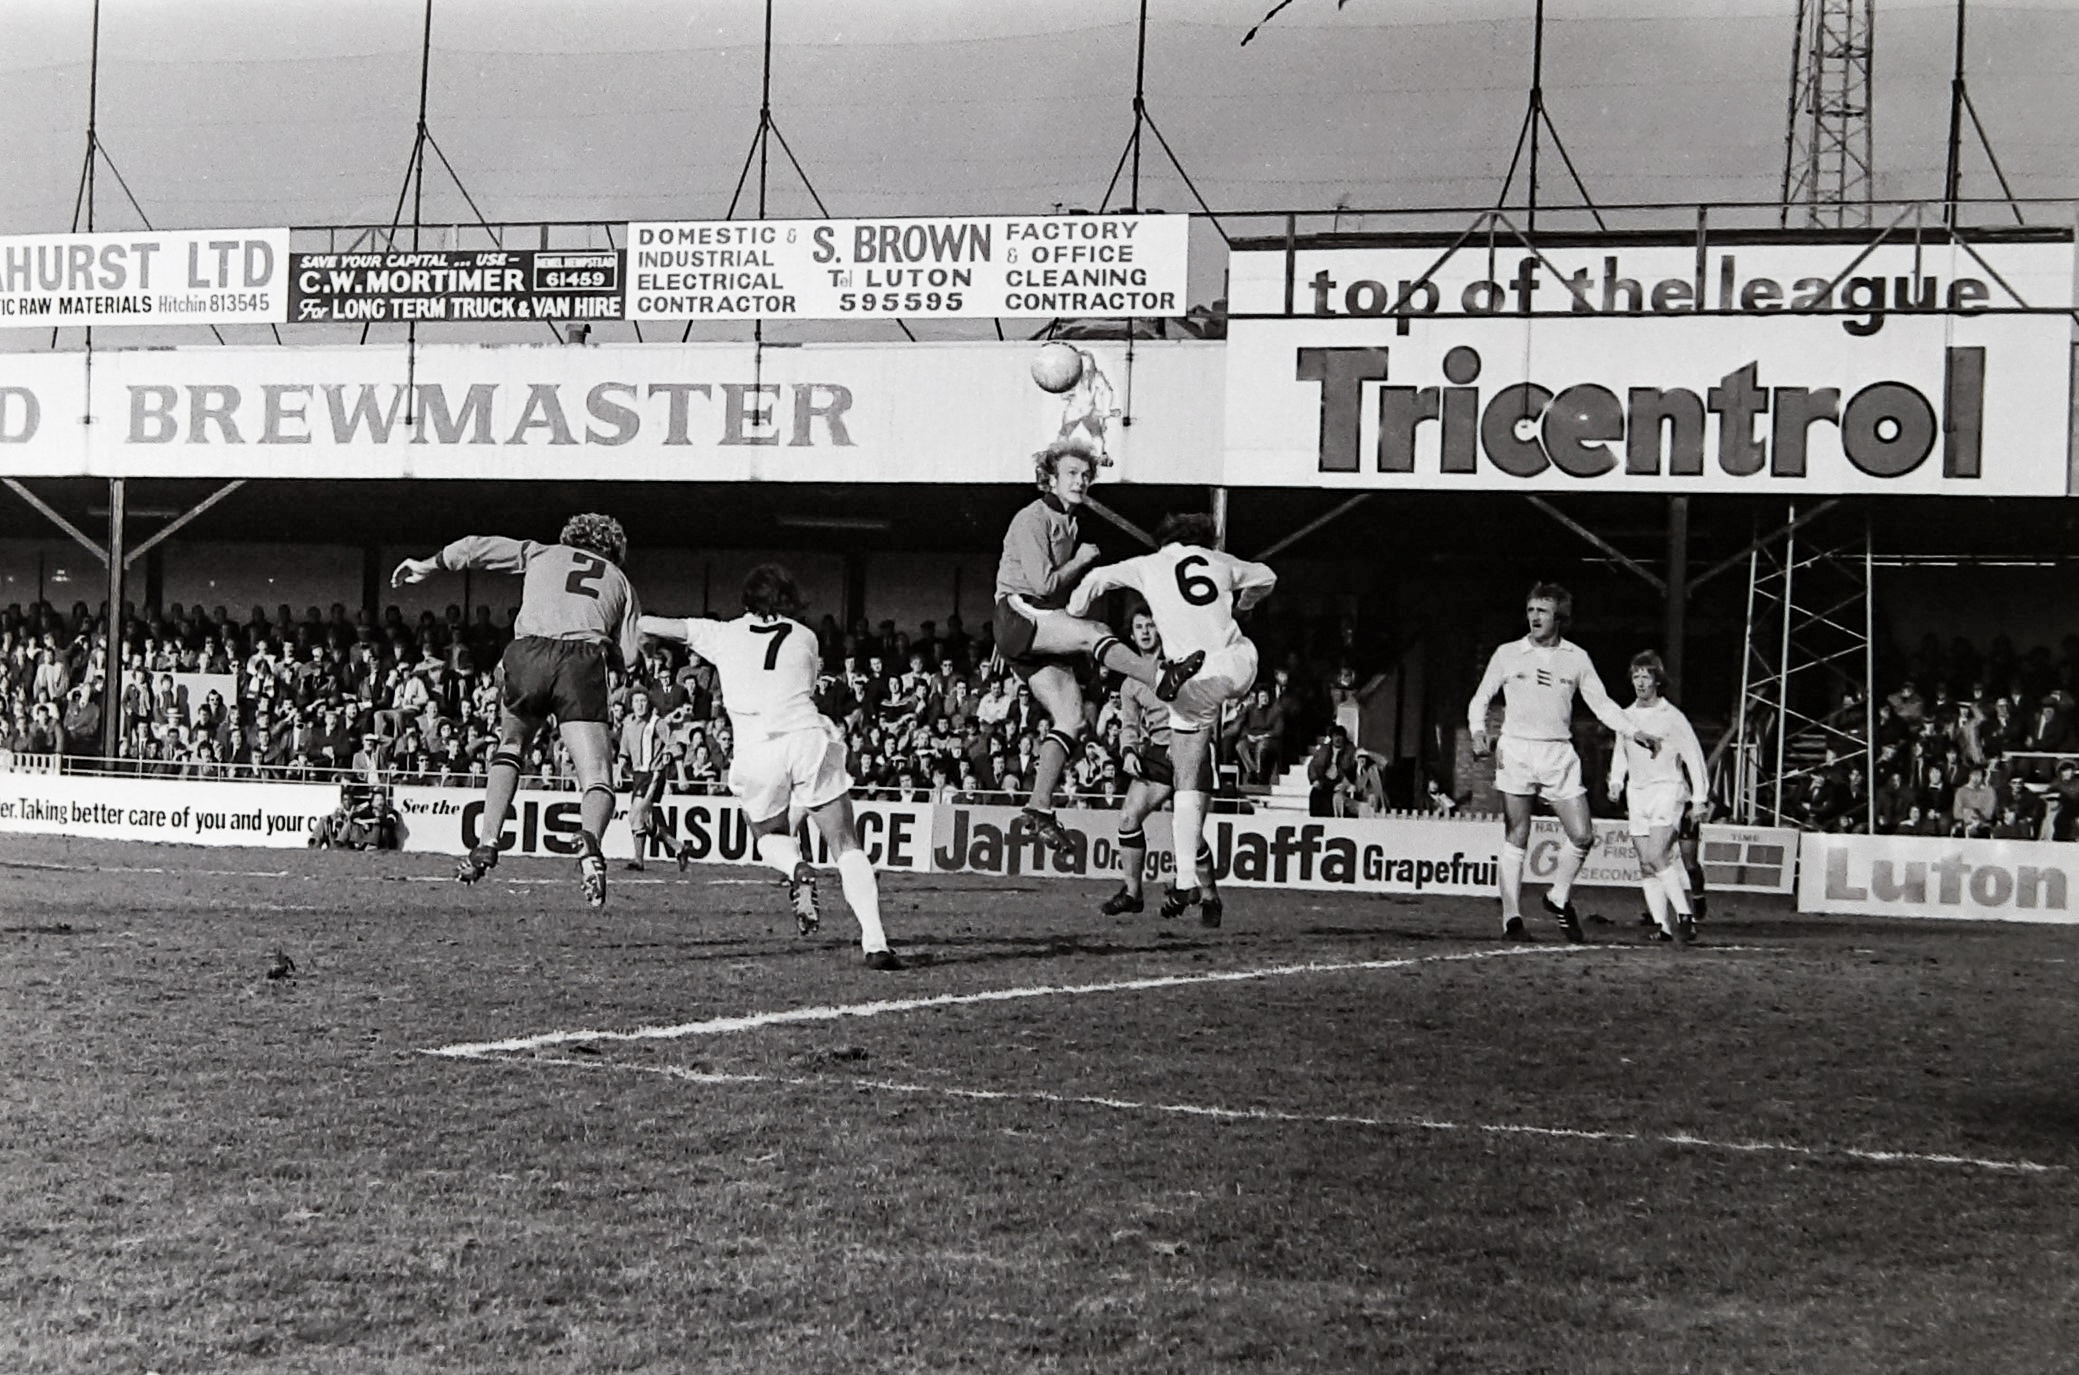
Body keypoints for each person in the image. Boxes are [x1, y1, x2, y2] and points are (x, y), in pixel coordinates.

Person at [639, 564, 900, 970]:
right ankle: (876, 941)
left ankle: (797, 868)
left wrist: (622, 623)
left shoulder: (722, 633)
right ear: (789, 599)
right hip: (807, 738)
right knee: (846, 844)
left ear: (746, 600)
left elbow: (654, 624)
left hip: (756, 749)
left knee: (767, 836)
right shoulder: (806, 636)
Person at [391, 513, 641, 908]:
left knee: (510, 745)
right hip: (581, 661)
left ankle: (486, 842)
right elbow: (631, 654)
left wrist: (427, 565)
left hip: (527, 654)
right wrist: (610, 649)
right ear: (614, 549)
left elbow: (474, 545)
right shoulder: (620, 581)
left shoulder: (540, 552)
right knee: (596, 774)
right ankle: (591, 844)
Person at [994, 441, 1203, 859]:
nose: (1080, 481)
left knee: (1071, 717)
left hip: (1035, 626)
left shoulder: (1066, 520)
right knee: (1096, 631)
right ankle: (1158, 676)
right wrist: (1084, 559)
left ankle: (1038, 806)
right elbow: (1043, 586)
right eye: (1071, 474)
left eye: (1085, 475)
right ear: (1049, 478)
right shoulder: (1032, 518)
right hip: (1022, 615)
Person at [1069, 511, 1277, 928]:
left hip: (1189, 682)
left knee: (1187, 792)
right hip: (1235, 666)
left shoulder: (1149, 565)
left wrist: (1074, 609)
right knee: (1174, 797)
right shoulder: (1218, 562)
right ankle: (1178, 884)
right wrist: (1244, 603)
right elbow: (1267, 575)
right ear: (1206, 540)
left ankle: (1194, 884)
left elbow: (1096, 580)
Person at [1467, 583, 1658, 942]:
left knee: (1583, 835)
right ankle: (1511, 919)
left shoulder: (1576, 658)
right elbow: (1480, 698)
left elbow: (1602, 705)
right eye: (1531, 610)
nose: (1534, 617)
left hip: (1558, 754)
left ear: (1560, 618)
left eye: (1542, 610)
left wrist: (1635, 732)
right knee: (1517, 834)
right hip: (1518, 751)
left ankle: (1557, 897)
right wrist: (1478, 731)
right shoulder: (1508, 653)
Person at [1608, 651, 1708, 944]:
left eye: (1646, 676)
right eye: (1636, 676)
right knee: (1645, 863)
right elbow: (1621, 751)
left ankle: (1685, 916)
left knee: (1656, 855)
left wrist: (1699, 798)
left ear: (1657, 680)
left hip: (1668, 789)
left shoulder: (1672, 717)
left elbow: (1694, 757)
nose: (1640, 682)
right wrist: (1616, 780)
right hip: (1637, 793)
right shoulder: (1625, 716)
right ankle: (1663, 926)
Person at [1097, 607, 1180, 916]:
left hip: (1189, 749)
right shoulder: (1131, 682)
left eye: (1151, 625)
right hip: (1158, 752)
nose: (1146, 632)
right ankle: (1133, 893)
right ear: (1132, 635)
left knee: (1188, 829)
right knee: (1128, 818)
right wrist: (1129, 752)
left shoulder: (1179, 663)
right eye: (1140, 627)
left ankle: (1191, 892)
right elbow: (1129, 726)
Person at [618, 691, 688, 873]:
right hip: (638, 776)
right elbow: (623, 750)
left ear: (649, 704)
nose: (640, 705)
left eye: (643, 701)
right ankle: (678, 847)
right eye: (636, 701)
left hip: (653, 774)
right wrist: (618, 772)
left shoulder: (657, 723)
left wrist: (681, 774)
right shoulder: (628, 724)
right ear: (631, 704)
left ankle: (638, 861)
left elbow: (673, 744)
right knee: (642, 821)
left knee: (637, 814)